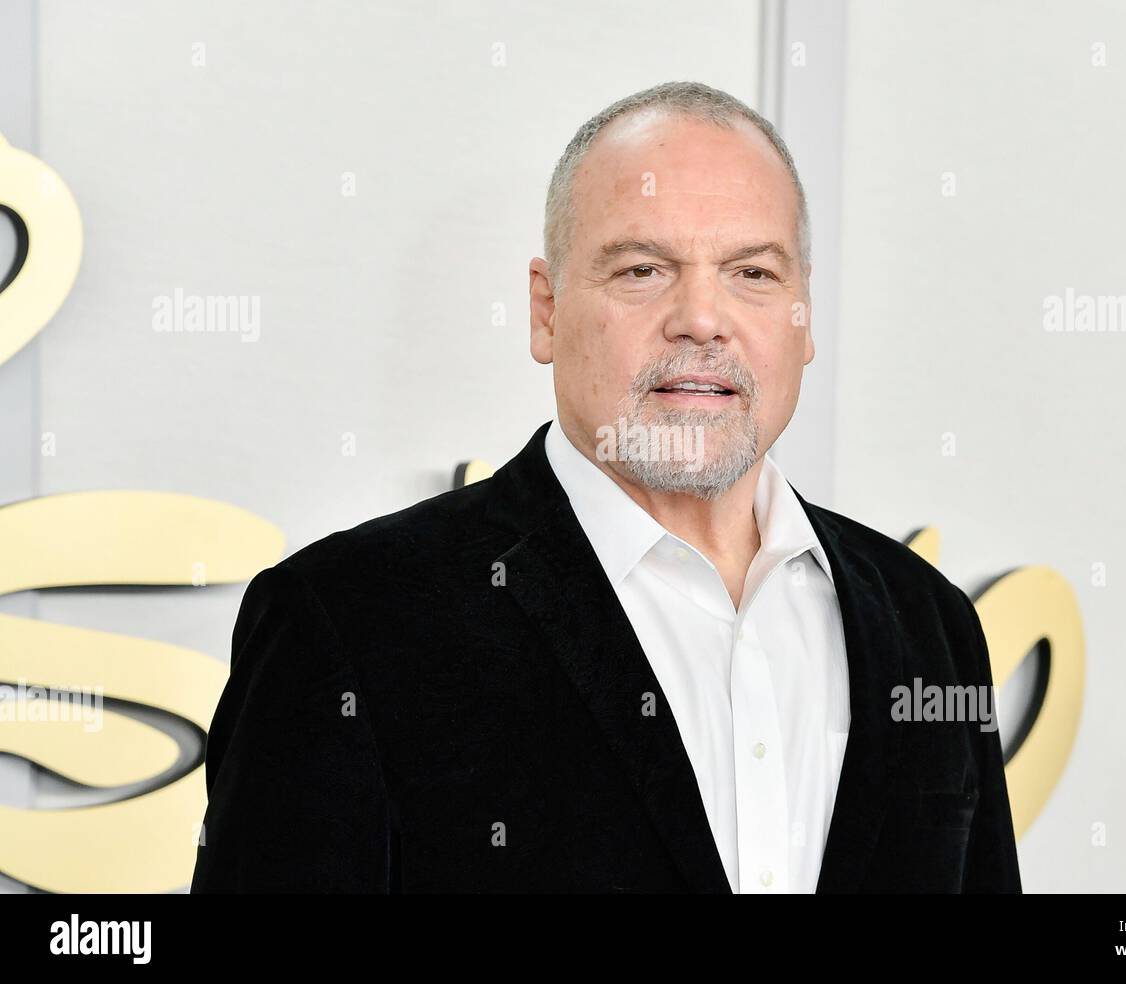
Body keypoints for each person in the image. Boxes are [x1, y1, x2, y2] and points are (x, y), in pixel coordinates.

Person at [191, 80, 1021, 894]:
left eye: (753, 274)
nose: (702, 317)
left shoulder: (929, 625)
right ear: (546, 313)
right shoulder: (349, 620)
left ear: (804, 317)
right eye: (642, 270)